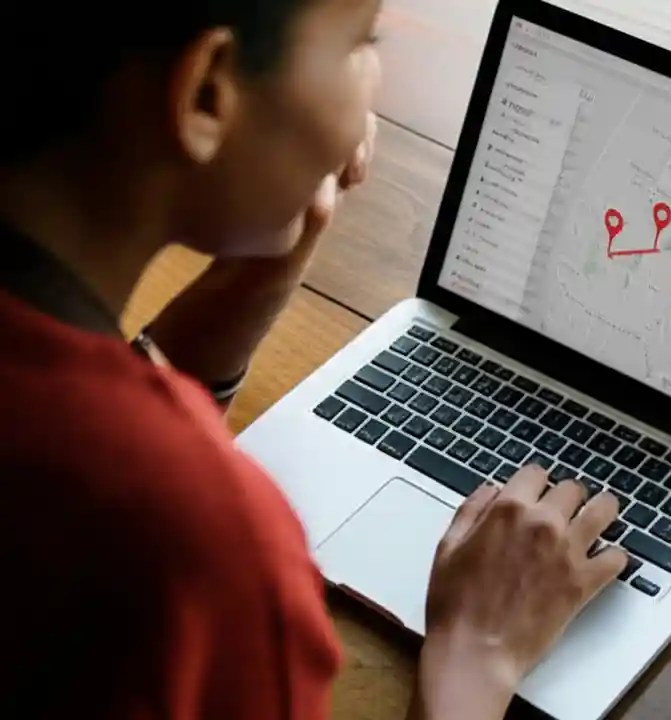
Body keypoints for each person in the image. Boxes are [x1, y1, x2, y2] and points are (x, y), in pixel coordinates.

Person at [0, 1, 628, 718]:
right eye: (363, 42)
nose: (375, 80)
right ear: (207, 92)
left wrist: (251, 279)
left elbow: (79, 417)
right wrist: (475, 655)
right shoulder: (212, 558)